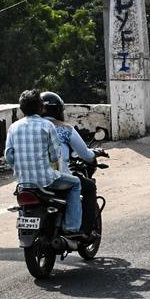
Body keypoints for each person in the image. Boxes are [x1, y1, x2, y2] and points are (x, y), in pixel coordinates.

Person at [4, 89, 83, 237]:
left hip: (22, 183)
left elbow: (9, 155)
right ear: (41, 108)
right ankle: (72, 227)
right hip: (46, 180)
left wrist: (19, 167)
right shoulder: (47, 126)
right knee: (76, 183)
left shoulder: (13, 127)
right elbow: (54, 155)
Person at [40, 91, 100, 235]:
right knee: (87, 186)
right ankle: (80, 229)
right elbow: (85, 154)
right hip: (54, 177)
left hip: (28, 179)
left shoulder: (26, 127)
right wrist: (95, 153)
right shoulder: (64, 129)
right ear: (59, 110)